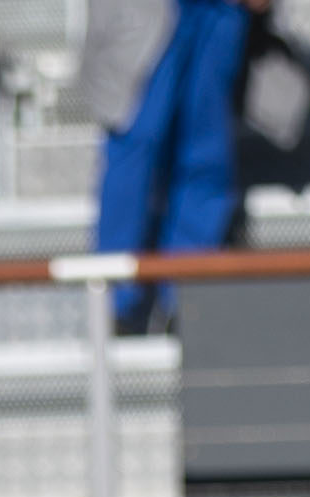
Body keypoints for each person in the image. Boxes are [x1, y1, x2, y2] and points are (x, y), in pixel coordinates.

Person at [80, 0, 252, 330]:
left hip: (217, 10)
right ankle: (117, 303)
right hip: (148, 11)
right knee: (136, 140)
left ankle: (184, 298)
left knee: (206, 154)